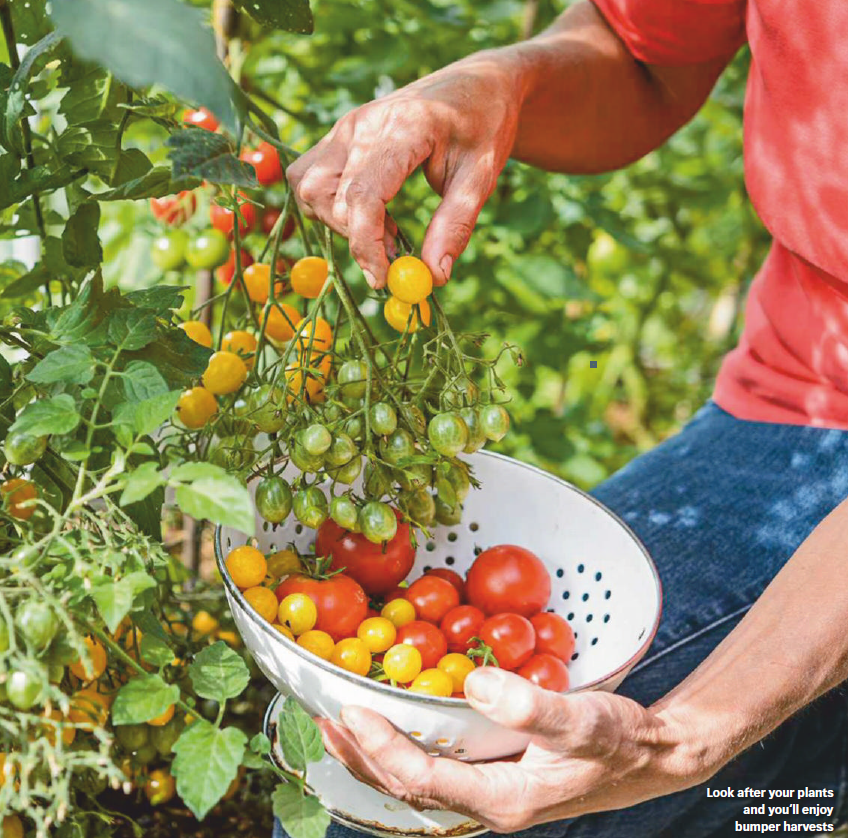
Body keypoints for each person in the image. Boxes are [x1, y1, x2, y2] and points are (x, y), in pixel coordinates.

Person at [279, 1, 848, 835]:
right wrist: (503, 82)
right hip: (804, 395)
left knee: (606, 801)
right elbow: (647, 52)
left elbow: (671, 744)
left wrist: (681, 740)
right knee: (398, 800)